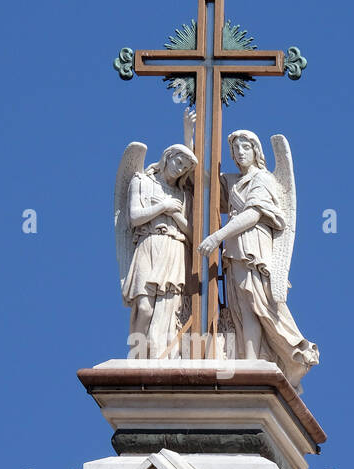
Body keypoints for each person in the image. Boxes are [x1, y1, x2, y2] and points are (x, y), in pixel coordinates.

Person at [199, 129, 318, 389]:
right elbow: (201, 181)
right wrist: (191, 134)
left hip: (253, 244)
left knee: (259, 301)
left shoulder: (263, 179)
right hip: (234, 247)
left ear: (256, 151)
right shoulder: (233, 181)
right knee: (243, 304)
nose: (239, 153)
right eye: (235, 149)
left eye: (245, 147)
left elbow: (252, 214)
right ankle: (250, 358)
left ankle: (295, 351)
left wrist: (216, 236)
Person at [123, 144, 196, 358]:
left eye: (184, 168)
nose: (180, 169)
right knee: (144, 307)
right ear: (167, 157)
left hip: (173, 248)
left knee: (167, 310)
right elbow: (134, 217)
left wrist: (175, 215)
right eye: (178, 162)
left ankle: (158, 355)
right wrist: (163, 207)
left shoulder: (183, 196)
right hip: (148, 244)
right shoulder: (141, 182)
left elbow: (192, 233)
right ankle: (136, 356)